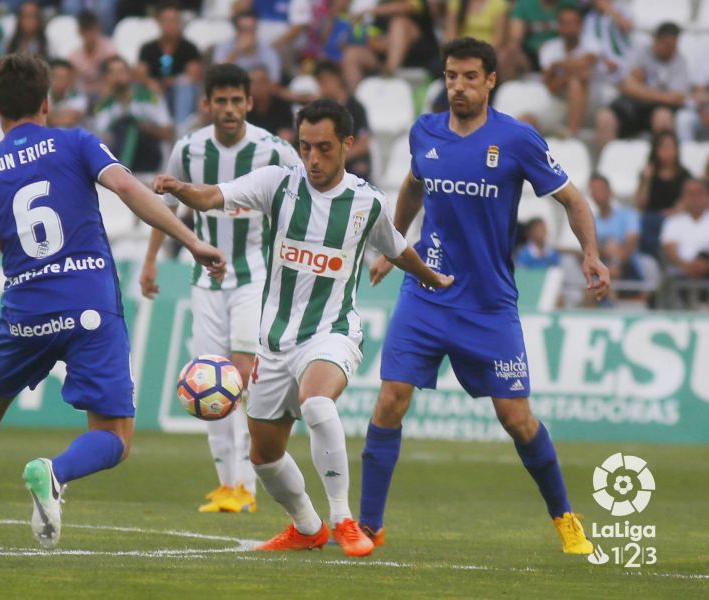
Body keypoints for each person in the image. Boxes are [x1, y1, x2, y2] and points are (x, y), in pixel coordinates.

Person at [0, 53, 226, 559]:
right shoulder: (77, 142)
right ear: (48, 102)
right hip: (90, 302)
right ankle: (56, 472)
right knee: (114, 436)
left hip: (26, 310)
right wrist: (193, 241)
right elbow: (128, 188)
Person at [154, 98, 453, 556]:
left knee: (316, 403)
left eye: (325, 148)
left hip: (332, 333)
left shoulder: (366, 202)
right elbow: (213, 196)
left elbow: (398, 249)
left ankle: (343, 519)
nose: (313, 159)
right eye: (305, 147)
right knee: (263, 455)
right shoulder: (278, 183)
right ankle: (307, 526)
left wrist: (432, 279)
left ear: (348, 145)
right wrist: (178, 189)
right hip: (273, 341)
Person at [356, 37, 610, 555]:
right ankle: (368, 528)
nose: (459, 86)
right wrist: (394, 244)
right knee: (389, 401)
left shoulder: (517, 139)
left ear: (490, 80)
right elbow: (412, 186)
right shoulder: (424, 131)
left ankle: (564, 517)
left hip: (489, 305)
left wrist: (590, 254)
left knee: (516, 419)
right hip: (426, 291)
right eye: (452, 76)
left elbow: (572, 199)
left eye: (470, 76)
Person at [140, 63, 300, 514]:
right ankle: (227, 484)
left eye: (237, 101)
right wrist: (151, 261)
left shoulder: (276, 151)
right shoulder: (188, 150)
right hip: (206, 281)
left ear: (249, 103)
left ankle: (247, 484)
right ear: (207, 104)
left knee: (243, 375)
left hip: (256, 278)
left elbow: (302, 205)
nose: (229, 110)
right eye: (221, 101)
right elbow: (166, 208)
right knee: (205, 380)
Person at [595, 22, 690, 151]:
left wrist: (642, 91)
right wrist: (661, 94)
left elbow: (677, 98)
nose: (670, 49)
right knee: (605, 117)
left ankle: (658, 164)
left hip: (655, 110)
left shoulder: (679, 62)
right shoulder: (639, 52)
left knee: (663, 117)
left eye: (673, 45)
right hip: (630, 106)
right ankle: (605, 164)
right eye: (666, 45)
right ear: (656, 40)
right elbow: (626, 85)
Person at [93, 56, 174, 173]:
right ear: (106, 77)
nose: (118, 76)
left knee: (130, 126)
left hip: (150, 161)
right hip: (117, 162)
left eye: (121, 71)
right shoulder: (103, 107)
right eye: (113, 72)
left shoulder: (149, 98)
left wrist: (143, 126)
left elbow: (168, 133)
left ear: (129, 74)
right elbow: (100, 140)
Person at [135, 1, 202, 126]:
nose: (170, 25)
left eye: (174, 20)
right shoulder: (148, 48)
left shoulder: (189, 48)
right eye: (166, 20)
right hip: (155, 92)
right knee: (138, 87)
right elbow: (140, 73)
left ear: (180, 23)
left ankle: (180, 127)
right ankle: (147, 124)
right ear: (158, 22)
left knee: (184, 85)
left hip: (179, 93)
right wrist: (150, 83)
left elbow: (193, 74)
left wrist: (172, 82)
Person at [538, 5, 598, 136]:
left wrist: (557, 65)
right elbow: (550, 86)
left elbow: (586, 62)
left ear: (581, 25)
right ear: (558, 25)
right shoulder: (549, 47)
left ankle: (572, 133)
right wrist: (569, 74)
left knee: (575, 83)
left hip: (591, 103)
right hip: (558, 101)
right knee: (527, 120)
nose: (569, 27)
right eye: (565, 23)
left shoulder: (592, 43)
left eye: (573, 22)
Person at [635, 130, 691, 259]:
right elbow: (640, 204)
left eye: (670, 147)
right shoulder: (648, 174)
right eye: (663, 147)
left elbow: (686, 204)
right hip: (651, 219)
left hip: (675, 218)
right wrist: (646, 180)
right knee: (644, 223)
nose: (667, 151)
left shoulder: (685, 176)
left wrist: (674, 211)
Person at [314, 60, 372, 184]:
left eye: (326, 80)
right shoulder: (321, 110)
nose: (324, 86)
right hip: (328, 159)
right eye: (320, 82)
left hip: (350, 158)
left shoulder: (356, 108)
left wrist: (338, 157)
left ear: (337, 78)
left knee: (360, 168)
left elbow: (363, 144)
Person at [590, 173, 642, 284]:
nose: (597, 194)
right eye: (594, 190)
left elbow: (631, 242)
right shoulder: (591, 221)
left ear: (610, 191)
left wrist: (616, 260)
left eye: (600, 189)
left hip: (627, 267)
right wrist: (605, 251)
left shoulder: (628, 214)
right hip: (602, 265)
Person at [213, 11, 282, 85]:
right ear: (237, 31)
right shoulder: (224, 47)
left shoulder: (267, 49)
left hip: (260, 91)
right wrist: (236, 51)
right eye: (245, 30)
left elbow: (274, 80)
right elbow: (217, 76)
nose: (249, 34)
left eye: (252, 29)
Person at [660, 178, 709, 281]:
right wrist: (688, 267)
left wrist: (705, 267)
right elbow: (670, 251)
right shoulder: (673, 222)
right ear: (683, 197)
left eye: (699, 193)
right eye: (690, 194)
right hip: (680, 276)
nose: (695, 198)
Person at [68, 9, 117, 107]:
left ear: (98, 28)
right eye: (85, 30)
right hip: (84, 94)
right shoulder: (74, 56)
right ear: (79, 32)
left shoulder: (110, 49)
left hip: (107, 92)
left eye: (91, 29)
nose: (89, 34)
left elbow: (114, 76)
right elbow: (73, 83)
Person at [246, 66, 295, 143]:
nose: (258, 87)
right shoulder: (243, 107)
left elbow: (286, 134)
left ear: (270, 83)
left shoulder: (282, 105)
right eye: (254, 83)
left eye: (262, 82)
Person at [47, 59, 87, 128]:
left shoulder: (78, 97)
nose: (60, 81)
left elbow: (71, 119)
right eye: (56, 77)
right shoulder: (42, 95)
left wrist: (50, 115)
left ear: (70, 79)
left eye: (64, 77)